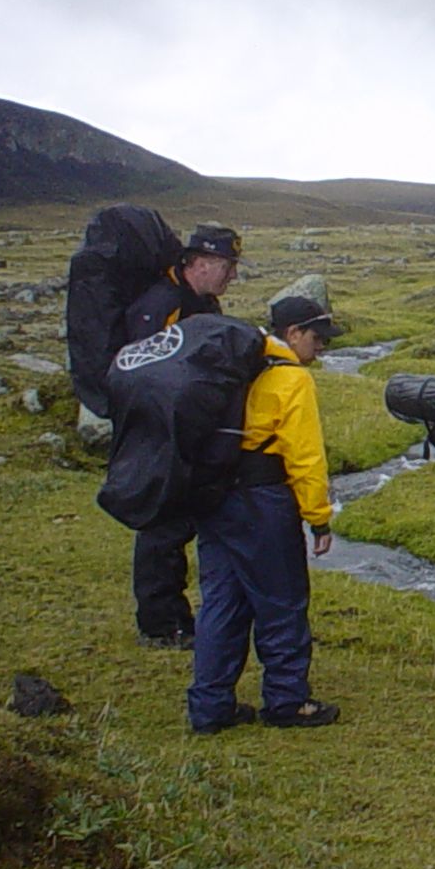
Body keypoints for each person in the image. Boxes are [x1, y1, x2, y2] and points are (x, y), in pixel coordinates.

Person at [188, 295, 341, 734]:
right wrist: (319, 518)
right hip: (262, 499)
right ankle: (288, 700)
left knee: (221, 601)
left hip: (214, 494)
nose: (321, 348)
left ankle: (210, 707)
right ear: (292, 333)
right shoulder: (290, 379)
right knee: (282, 600)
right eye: (316, 337)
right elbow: (305, 456)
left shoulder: (235, 366)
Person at [123, 223, 242, 649]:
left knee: (183, 521)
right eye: (228, 267)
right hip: (160, 434)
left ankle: (177, 617)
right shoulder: (163, 304)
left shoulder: (203, 304)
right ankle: (159, 623)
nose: (232, 276)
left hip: (193, 433)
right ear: (202, 263)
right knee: (162, 526)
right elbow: (143, 370)